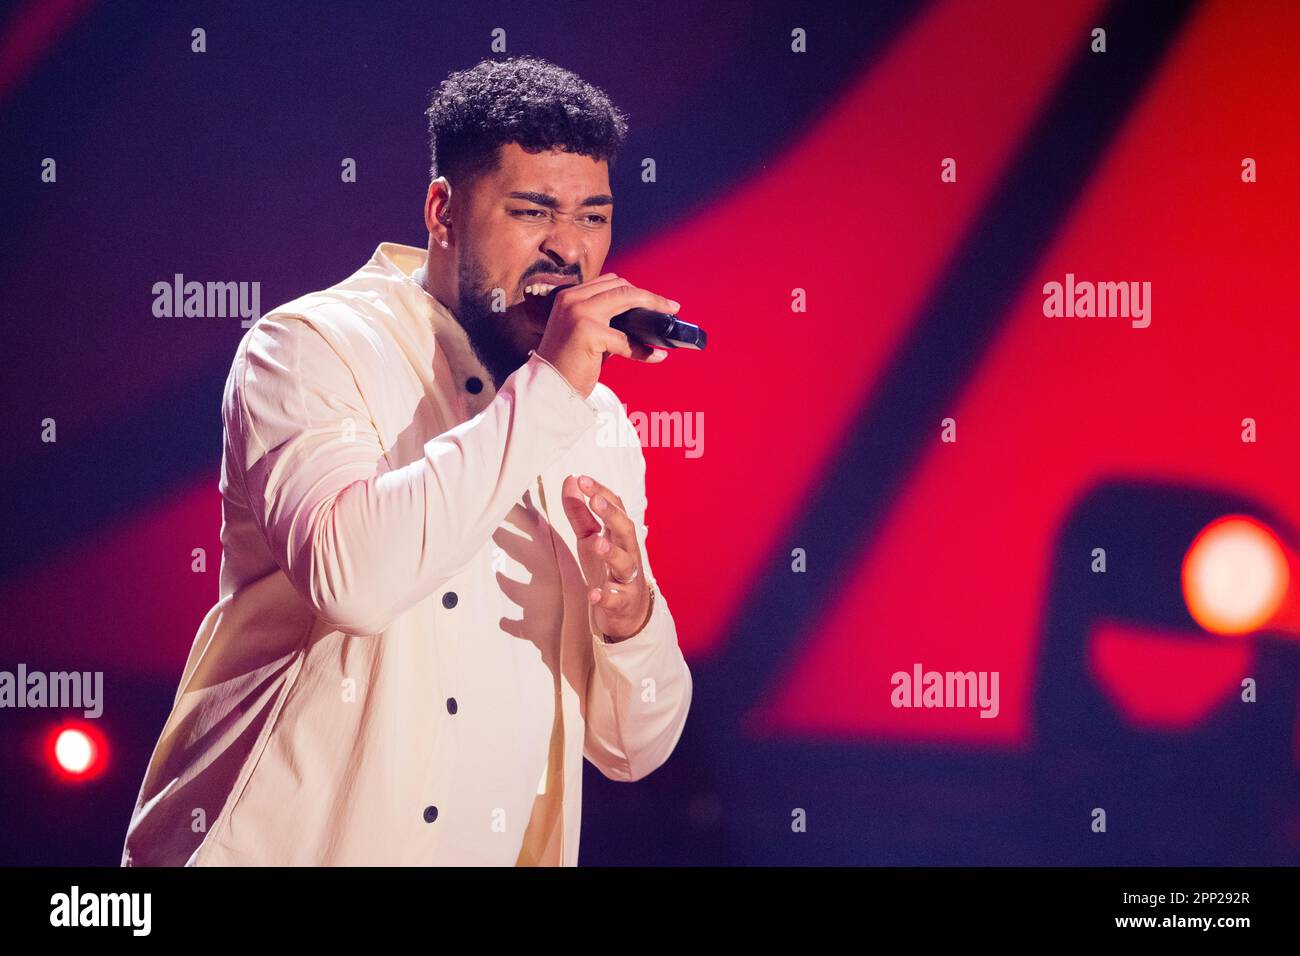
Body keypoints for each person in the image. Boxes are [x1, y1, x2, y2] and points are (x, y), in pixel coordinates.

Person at [121, 55, 693, 866]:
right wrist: (553, 390)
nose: (568, 249)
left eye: (594, 217)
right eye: (533, 210)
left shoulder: (594, 419)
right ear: (443, 211)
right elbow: (353, 581)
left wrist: (629, 619)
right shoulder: (309, 347)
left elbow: (635, 751)